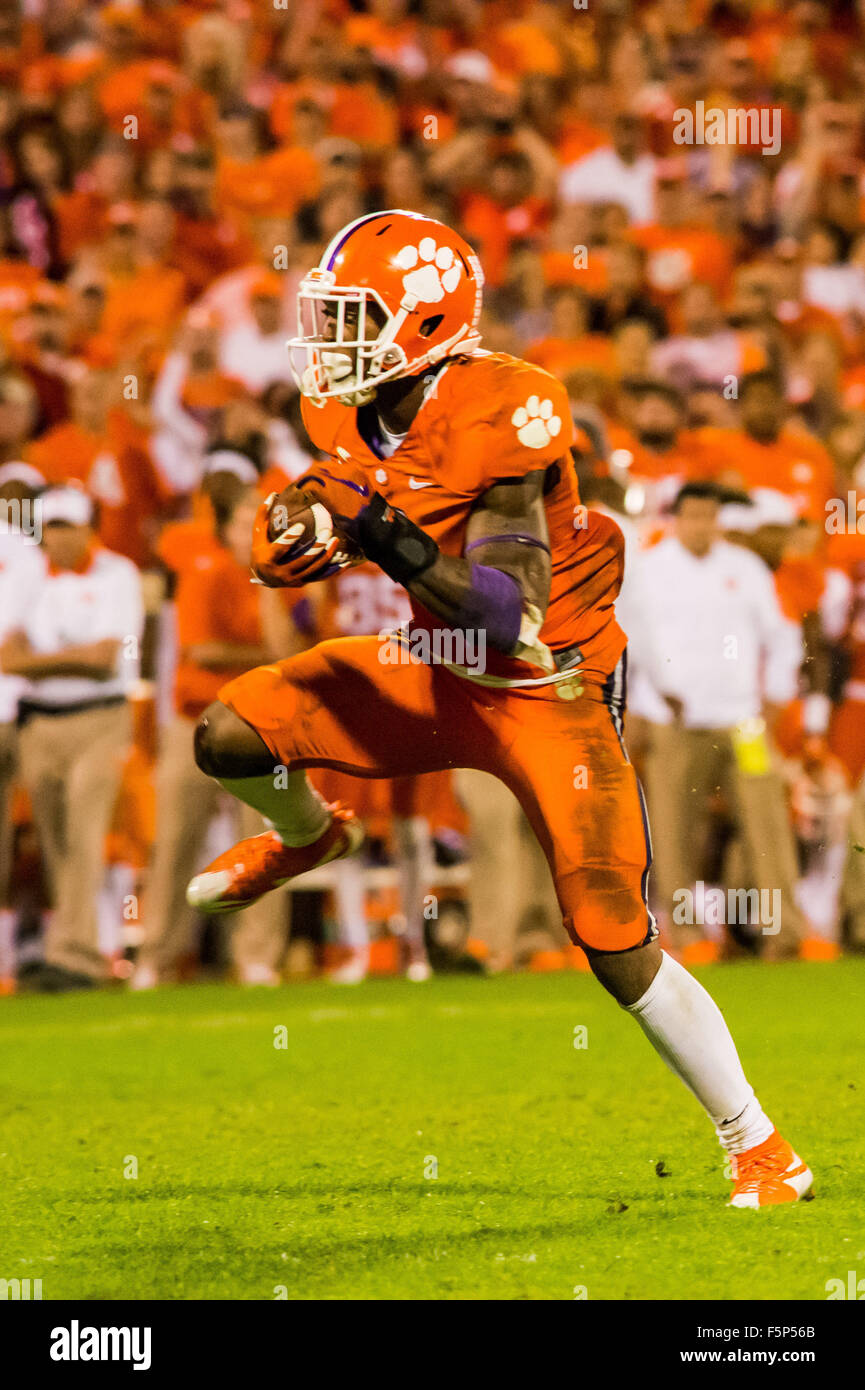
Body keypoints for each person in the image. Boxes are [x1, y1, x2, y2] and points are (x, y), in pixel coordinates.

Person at [184, 210, 812, 1208]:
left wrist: (376, 532)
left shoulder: (508, 409)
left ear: (425, 323)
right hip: (436, 668)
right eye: (331, 318)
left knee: (610, 934)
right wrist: (304, 527)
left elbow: (502, 617)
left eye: (355, 320)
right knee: (228, 734)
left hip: (545, 686)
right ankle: (309, 836)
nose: (331, 343)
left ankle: (760, 1144)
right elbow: (329, 519)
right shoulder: (348, 414)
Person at [625, 482, 806, 964]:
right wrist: (654, 695)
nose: (702, 526)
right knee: (673, 831)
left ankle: (784, 931)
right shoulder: (649, 570)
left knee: (767, 823)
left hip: (743, 719)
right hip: (674, 718)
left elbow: (784, 635)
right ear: (676, 519)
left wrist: (778, 697)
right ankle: (684, 937)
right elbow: (633, 645)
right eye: (694, 517)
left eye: (710, 517)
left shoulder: (743, 569)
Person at [0, 485, 143, 990]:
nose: (59, 537)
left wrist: (36, 663)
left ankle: (75, 954)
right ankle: (72, 946)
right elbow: (7, 656)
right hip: (39, 722)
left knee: (84, 830)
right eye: (52, 527)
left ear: (89, 528)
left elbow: (104, 660)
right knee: (55, 838)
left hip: (98, 718)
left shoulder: (116, 573)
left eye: (69, 526)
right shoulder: (26, 576)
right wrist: (69, 659)